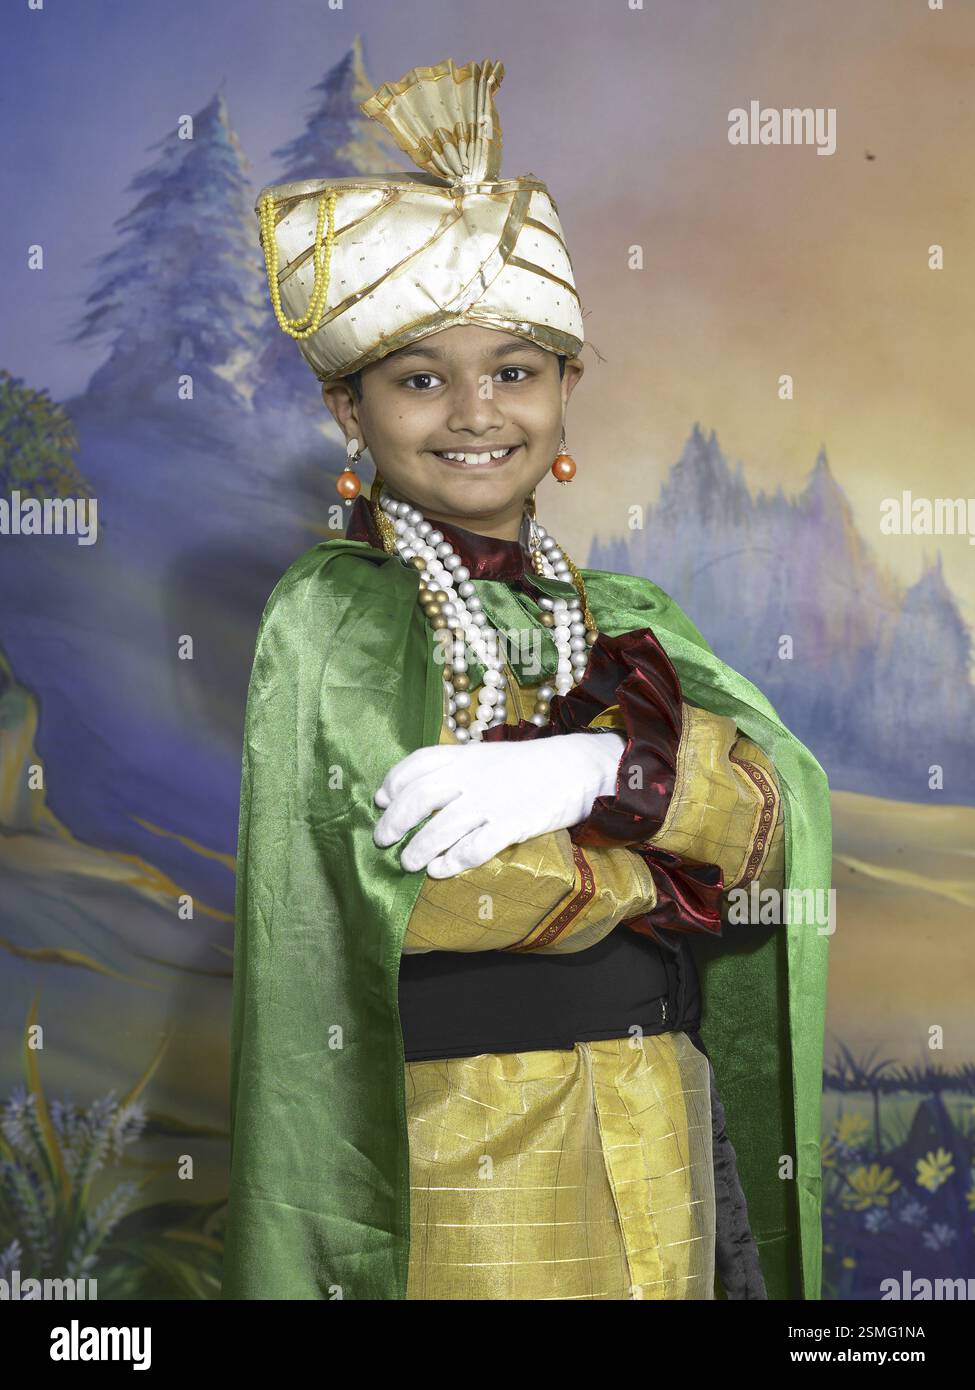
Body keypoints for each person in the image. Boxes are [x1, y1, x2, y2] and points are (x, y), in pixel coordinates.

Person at [222, 56, 832, 1301]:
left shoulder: (627, 614)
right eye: (417, 377)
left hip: (666, 1122)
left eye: (514, 369)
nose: (474, 411)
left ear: (567, 389)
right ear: (349, 409)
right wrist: (664, 827)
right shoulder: (333, 617)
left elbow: (779, 824)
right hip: (467, 1151)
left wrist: (604, 766)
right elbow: (436, 888)